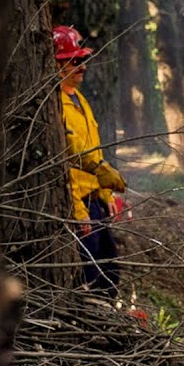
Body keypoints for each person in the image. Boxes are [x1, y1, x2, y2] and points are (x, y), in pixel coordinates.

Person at [54, 25, 127, 298]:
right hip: (77, 205)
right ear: (55, 63)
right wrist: (77, 210)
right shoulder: (54, 104)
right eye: (74, 61)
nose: (81, 66)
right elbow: (62, 165)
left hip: (94, 200)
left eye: (82, 59)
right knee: (89, 278)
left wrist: (105, 193)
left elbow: (94, 152)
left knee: (109, 274)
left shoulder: (79, 99)